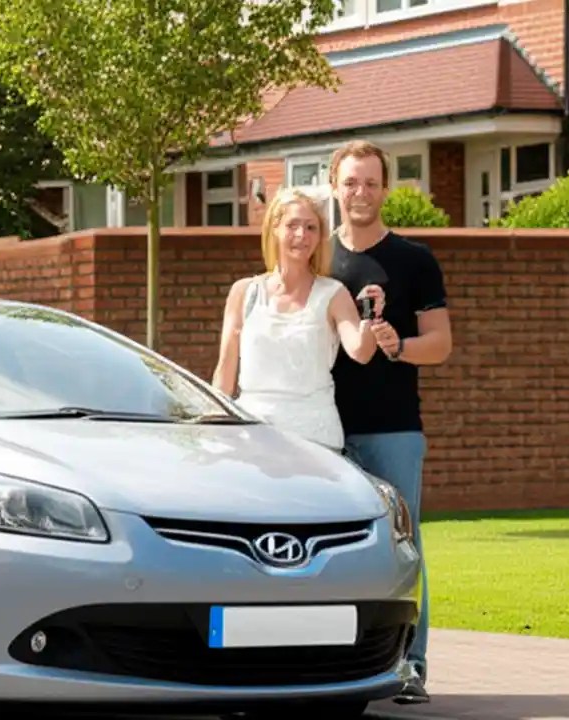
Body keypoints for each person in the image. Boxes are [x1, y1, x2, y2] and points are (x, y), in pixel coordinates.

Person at [326, 139, 454, 704]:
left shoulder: (414, 260)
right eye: (351, 182)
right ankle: (333, 663)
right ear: (334, 185)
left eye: (371, 183)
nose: (361, 193)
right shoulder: (316, 258)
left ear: (386, 189)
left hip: (394, 429)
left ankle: (411, 666)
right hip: (321, 433)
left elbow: (442, 345)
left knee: (403, 549)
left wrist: (397, 344)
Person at [211, 187, 383, 452]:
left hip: (316, 442)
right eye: (293, 225)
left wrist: (371, 315)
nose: (302, 235)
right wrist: (214, 431)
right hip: (253, 438)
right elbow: (225, 372)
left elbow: (361, 351)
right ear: (274, 229)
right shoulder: (244, 292)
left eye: (311, 228)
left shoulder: (333, 294)